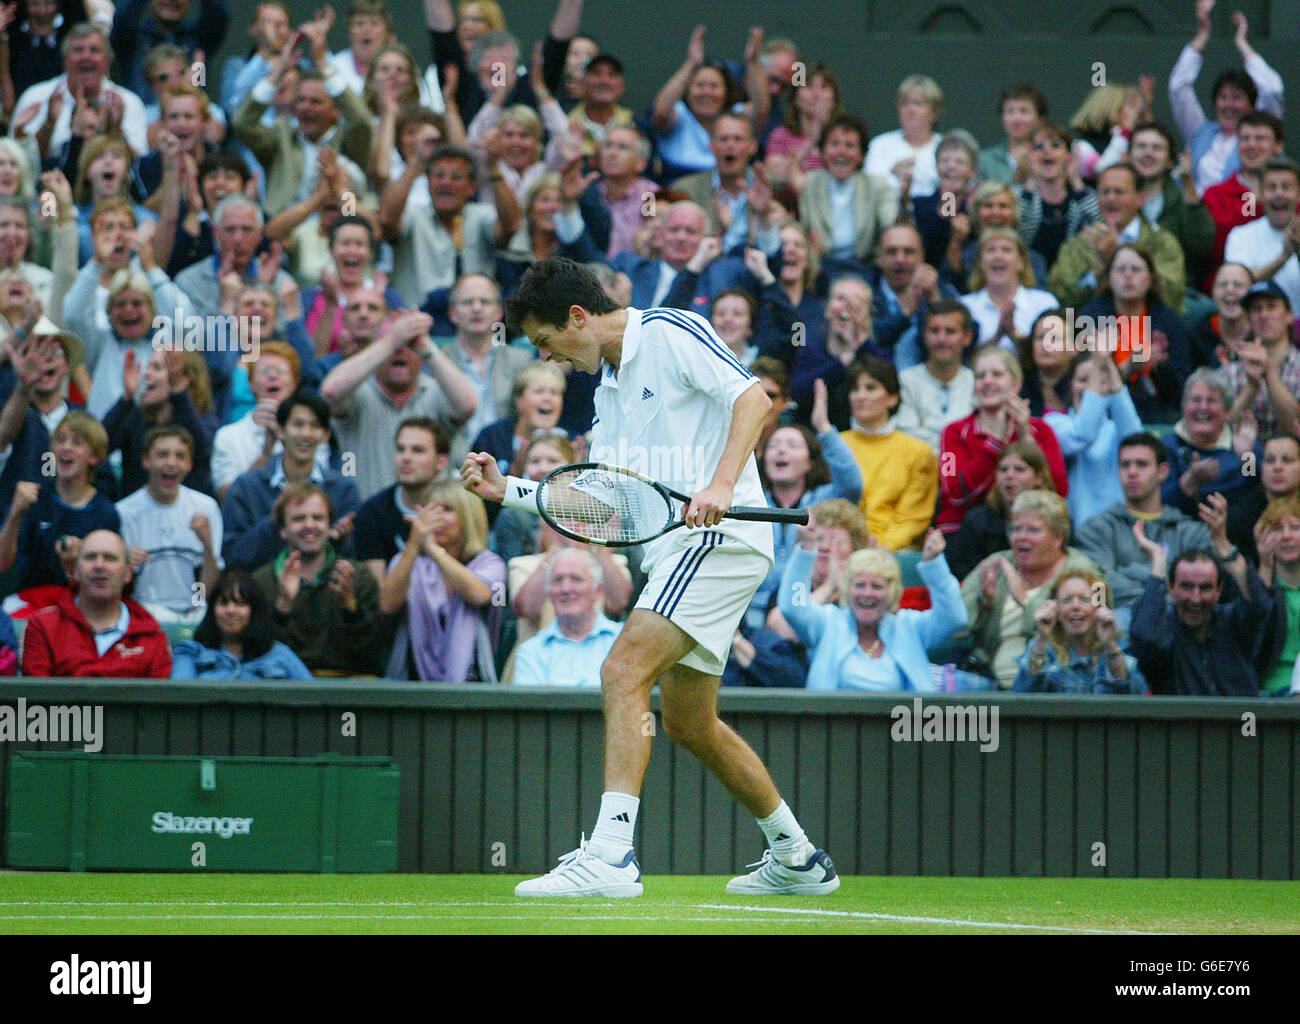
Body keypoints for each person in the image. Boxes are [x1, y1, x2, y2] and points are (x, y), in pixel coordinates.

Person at [462, 257, 839, 898]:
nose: (549, 360)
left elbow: (754, 397)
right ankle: (798, 858)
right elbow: (607, 506)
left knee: (620, 670)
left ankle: (610, 856)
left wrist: (721, 483)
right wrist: (511, 490)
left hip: (716, 541)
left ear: (578, 318)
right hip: (676, 554)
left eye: (548, 343)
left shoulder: (668, 329)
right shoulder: (605, 396)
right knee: (690, 722)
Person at [780, 525, 965, 691]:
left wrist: (935, 566)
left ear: (891, 592)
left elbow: (954, 618)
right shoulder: (829, 622)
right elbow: (793, 607)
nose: (867, 594)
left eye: (877, 586)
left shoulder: (909, 626)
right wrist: (806, 549)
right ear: (847, 588)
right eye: (859, 585)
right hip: (833, 727)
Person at [320, 309, 477, 501]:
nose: (400, 350)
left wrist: (424, 344)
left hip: (434, 518)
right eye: (393, 343)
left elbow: (468, 404)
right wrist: (391, 340)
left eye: (408, 344)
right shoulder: (357, 394)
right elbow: (330, 391)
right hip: (369, 519)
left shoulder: (438, 391)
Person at [1129, 494, 1273, 697]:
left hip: (1238, 727)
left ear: (1219, 590)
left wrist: (1222, 544)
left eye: (1205, 588)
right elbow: (1144, 638)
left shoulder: (1233, 622)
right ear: (1170, 588)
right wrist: (1159, 562)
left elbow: (1260, 605)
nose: (1195, 598)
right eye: (1186, 587)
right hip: (1181, 728)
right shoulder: (1163, 631)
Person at [232, 11, 372, 218]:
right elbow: (242, 122)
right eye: (300, 100)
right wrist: (277, 73)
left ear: (335, 111)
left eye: (315, 102)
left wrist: (323, 62)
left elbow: (360, 119)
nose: (305, 108)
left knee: (354, 220)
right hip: (283, 232)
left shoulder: (349, 139)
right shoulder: (282, 136)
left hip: (343, 222)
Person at [958, 489, 1102, 688]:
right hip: (989, 682)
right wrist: (983, 601)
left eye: (1033, 530)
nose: (1021, 537)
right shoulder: (996, 564)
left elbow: (1098, 625)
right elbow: (957, 628)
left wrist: (1026, 601)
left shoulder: (1087, 573)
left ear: (1058, 538)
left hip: (1056, 685)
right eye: (1016, 529)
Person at [1075, 432, 1214, 628]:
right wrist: (1160, 589)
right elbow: (1098, 586)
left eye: (1141, 464)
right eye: (1125, 465)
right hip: (1118, 627)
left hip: (1179, 628)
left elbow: (1199, 591)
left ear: (1162, 472)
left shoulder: (1191, 531)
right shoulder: (1096, 528)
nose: (1132, 472)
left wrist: (1130, 573)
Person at [250, 481, 386, 676]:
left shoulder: (358, 576)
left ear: (329, 526)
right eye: (298, 519)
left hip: (349, 687)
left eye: (318, 518)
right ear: (282, 530)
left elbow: (372, 653)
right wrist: (283, 607)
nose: (309, 526)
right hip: (284, 687)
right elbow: (256, 656)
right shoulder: (261, 582)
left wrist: (351, 608)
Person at [379, 478, 505, 682]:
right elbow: (387, 605)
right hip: (412, 685)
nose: (436, 518)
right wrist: (413, 545)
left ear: (468, 516)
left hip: (473, 687)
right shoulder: (406, 562)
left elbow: (478, 594)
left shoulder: (490, 563)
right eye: (431, 510)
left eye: (447, 509)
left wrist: (434, 551)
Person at [221, 390, 360, 573]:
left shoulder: (343, 489)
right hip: (261, 593)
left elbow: (355, 557)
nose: (305, 434)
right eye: (298, 424)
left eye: (315, 426)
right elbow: (233, 557)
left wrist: (339, 541)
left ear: (325, 435)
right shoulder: (247, 487)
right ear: (280, 430)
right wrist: (277, 519)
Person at [936, 344, 1068, 533]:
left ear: (1016, 384)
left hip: (1029, 527)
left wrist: (1025, 437)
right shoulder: (953, 432)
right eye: (980, 376)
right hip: (964, 532)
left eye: (997, 374)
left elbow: (1058, 491)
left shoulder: (1040, 430)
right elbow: (953, 493)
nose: (987, 381)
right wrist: (995, 443)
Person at [1168, 0, 1285, 196]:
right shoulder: (1201, 133)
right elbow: (1178, 87)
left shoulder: (1261, 134)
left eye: (1237, 98)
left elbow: (1272, 89)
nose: (1228, 105)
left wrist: (1242, 44)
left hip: (1245, 217)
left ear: (1251, 104)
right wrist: (1202, 34)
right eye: (1223, 97)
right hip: (1201, 219)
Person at [20, 528, 172, 677]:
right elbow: (37, 697)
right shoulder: (44, 626)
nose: (99, 566)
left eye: (110, 558)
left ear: (127, 574)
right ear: (75, 570)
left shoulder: (152, 635)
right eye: (90, 557)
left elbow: (159, 699)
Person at [0, 411, 119, 597]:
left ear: (94, 456)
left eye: (77, 442)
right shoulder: (33, 497)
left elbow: (106, 584)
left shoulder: (105, 512)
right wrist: (15, 513)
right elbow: (2, 563)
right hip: (30, 602)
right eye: (61, 440)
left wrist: (75, 565)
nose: (66, 448)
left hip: (80, 606)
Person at [1076, 242, 1193, 424]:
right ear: (1108, 279)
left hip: (1161, 410)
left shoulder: (1169, 320)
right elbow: (1083, 378)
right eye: (1121, 269)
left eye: (1136, 269)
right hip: (1103, 412)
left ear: (1151, 278)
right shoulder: (1091, 318)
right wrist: (1130, 365)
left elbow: (1182, 383)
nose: (1128, 275)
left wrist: (1159, 367)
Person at [115, 424, 222, 623]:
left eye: (180, 456)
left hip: (192, 614)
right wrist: (125, 561)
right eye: (163, 455)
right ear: (146, 460)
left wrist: (207, 545)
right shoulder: (124, 512)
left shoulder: (206, 508)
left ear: (190, 464)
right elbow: (117, 584)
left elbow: (208, 578)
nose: (171, 463)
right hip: (142, 613)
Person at [1049, 163, 1186, 312]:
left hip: (1149, 328)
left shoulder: (1162, 243)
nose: (1111, 198)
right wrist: (1098, 271)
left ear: (1140, 198)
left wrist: (1115, 257)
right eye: (1105, 192)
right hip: (1092, 328)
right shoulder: (1079, 244)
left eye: (1119, 192)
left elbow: (1172, 297)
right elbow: (1061, 297)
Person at [840, 357, 937, 551]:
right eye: (855, 389)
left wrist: (883, 546)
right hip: (838, 545)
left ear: (893, 398)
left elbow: (913, 519)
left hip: (892, 552)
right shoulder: (836, 445)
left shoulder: (918, 451)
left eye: (871, 388)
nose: (860, 396)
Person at [650, 25, 768, 182]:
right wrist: (691, 64)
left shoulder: (735, 117)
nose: (706, 92)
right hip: (678, 191)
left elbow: (761, 110)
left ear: (726, 91)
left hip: (727, 188)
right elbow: (661, 112)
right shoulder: (679, 114)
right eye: (699, 85)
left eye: (714, 86)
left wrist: (753, 63)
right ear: (687, 89)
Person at [1045, 353, 1143, 527]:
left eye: (1098, 380)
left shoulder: (1116, 429)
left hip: (1120, 529)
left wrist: (1108, 364)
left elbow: (1136, 442)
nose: (1090, 388)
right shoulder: (1055, 424)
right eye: (1083, 380)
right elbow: (1082, 434)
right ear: (1071, 385)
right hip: (1076, 531)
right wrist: (1099, 365)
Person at [1015, 570, 1145, 695]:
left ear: (1099, 607)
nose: (1075, 606)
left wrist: (1110, 645)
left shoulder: (1119, 644)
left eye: (1084, 599)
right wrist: (1042, 637)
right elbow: (1024, 697)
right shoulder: (1042, 647)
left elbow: (1134, 698)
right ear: (1056, 609)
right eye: (1066, 600)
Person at [798, 113, 897, 274]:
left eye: (850, 146)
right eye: (834, 144)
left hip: (864, 266)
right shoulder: (811, 183)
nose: (841, 152)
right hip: (821, 266)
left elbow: (890, 224)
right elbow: (804, 229)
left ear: (861, 155)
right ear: (823, 151)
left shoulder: (877, 186)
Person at [945, 441, 1057, 582]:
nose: (1009, 475)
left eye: (1019, 469)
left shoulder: (1055, 518)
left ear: (1039, 478)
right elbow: (961, 573)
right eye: (1003, 470)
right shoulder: (976, 521)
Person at [172, 568, 313, 679]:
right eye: (223, 603)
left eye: (240, 604)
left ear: (254, 611)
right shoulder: (191, 653)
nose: (231, 611)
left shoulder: (280, 654)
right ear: (212, 610)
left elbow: (311, 697)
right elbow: (180, 695)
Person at [512, 548, 622, 687]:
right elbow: (528, 706)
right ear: (548, 592)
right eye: (557, 580)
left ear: (598, 591)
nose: (566, 588)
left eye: (576, 579)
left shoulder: (624, 641)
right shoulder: (530, 652)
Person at [1128, 120, 1216, 289]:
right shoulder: (1114, 197)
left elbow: (1203, 247)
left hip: (1176, 290)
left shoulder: (1182, 199)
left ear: (1169, 161)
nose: (1148, 153)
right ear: (1128, 156)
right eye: (1141, 146)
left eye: (1157, 148)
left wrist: (1188, 185)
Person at [1201, 110, 1284, 286]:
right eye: (1245, 139)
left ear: (1278, 146)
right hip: (1229, 292)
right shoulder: (1215, 194)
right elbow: (1215, 248)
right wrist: (1253, 199)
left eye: (1260, 139)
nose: (1251, 145)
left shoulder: (1292, 193)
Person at [1162, 367, 1258, 517]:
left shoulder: (1243, 442)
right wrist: (1189, 482)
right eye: (1195, 400)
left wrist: (1246, 457)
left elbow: (1254, 490)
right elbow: (1156, 502)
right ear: (1183, 407)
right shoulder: (1167, 446)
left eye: (1211, 400)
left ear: (1227, 411)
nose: (1203, 407)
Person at [1014, 120, 1099, 269]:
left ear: (1068, 156)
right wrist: (1030, 176)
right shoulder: (1017, 195)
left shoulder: (1083, 196)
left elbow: (1097, 222)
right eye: (1038, 147)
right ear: (1030, 156)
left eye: (1055, 145)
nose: (1047, 151)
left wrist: (1075, 179)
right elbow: (1021, 228)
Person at [895, 299, 976, 453]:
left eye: (950, 331)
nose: (941, 339)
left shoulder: (977, 383)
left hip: (964, 474)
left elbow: (979, 439)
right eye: (934, 331)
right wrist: (956, 441)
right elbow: (906, 437)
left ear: (967, 337)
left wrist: (926, 426)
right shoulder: (905, 381)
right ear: (925, 335)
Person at [1224, 280, 1300, 437]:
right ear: (1249, 320)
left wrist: (1269, 372)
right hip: (1246, 460)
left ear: (1289, 316)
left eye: (1271, 306)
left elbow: (1296, 427)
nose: (1264, 315)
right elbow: (1222, 432)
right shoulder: (1228, 373)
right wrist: (1251, 386)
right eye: (1256, 309)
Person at [1223, 157, 1300, 311]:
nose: (1279, 194)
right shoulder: (1241, 236)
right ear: (1259, 194)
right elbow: (1237, 285)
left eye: (1287, 187)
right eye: (1271, 187)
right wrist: (1283, 258)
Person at [960, 227, 1058, 348]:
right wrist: (998, 335)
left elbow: (1051, 352)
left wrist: (1013, 333)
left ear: (1020, 261)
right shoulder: (964, 306)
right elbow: (962, 358)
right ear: (980, 262)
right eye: (990, 250)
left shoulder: (1044, 303)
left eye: (1006, 250)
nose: (998, 256)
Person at [469, 360, 565, 477]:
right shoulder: (491, 438)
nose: (548, 398)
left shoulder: (572, 442)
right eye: (539, 391)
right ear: (519, 400)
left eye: (555, 392)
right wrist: (515, 472)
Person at [865, 74, 943, 200]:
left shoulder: (947, 147)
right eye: (905, 103)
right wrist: (892, 175)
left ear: (934, 112)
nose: (910, 109)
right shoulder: (880, 145)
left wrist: (949, 217)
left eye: (918, 103)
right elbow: (869, 192)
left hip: (938, 217)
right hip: (890, 216)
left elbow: (954, 191)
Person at [1255, 497, 1300, 696]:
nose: (1286, 536)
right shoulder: (1257, 584)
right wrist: (1264, 567)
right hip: (1267, 693)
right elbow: (1252, 635)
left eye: (1295, 528)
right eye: (1277, 529)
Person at [978, 83, 1048, 185]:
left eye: (1024, 111)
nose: (1016, 119)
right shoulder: (985, 161)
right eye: (1010, 111)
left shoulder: (1049, 157)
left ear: (1040, 119)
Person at [1190, 260, 1253, 368]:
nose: (1230, 289)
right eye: (1222, 284)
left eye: (1238, 285)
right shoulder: (1199, 334)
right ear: (1212, 292)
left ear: (1252, 292)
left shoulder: (1262, 332)